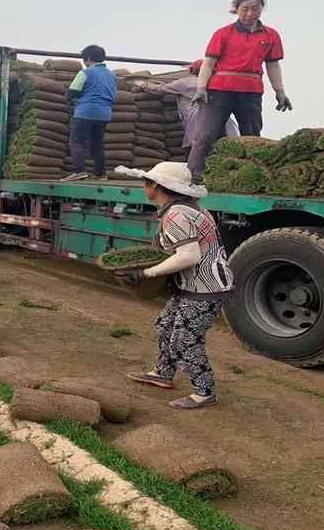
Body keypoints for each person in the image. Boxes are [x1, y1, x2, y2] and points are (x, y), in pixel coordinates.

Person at [114, 161, 234, 409]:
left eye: (146, 183)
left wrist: (147, 273)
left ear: (156, 186)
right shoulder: (187, 208)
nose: (144, 187)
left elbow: (189, 256)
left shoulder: (177, 214)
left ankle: (204, 392)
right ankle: (162, 373)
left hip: (206, 289)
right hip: (193, 285)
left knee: (185, 341)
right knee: (164, 326)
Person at [187, 0, 292, 183]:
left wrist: (280, 91)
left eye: (255, 9)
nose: (250, 14)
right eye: (245, 9)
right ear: (236, 9)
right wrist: (201, 88)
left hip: (251, 93)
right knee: (206, 135)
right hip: (219, 91)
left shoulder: (271, 35)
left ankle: (254, 177)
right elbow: (208, 63)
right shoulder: (223, 33)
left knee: (252, 136)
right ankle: (194, 175)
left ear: (262, 9)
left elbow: (273, 65)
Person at [135, 60, 239, 160]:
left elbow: (161, 89)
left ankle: (196, 174)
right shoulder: (215, 83)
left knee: (196, 151)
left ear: (193, 70)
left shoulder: (186, 83)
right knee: (223, 150)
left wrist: (143, 85)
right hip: (222, 120)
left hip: (198, 121)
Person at [61, 44, 117, 182]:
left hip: (86, 112)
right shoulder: (112, 75)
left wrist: (67, 97)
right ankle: (100, 173)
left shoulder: (86, 73)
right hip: (104, 114)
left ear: (88, 59)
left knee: (76, 141)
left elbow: (73, 91)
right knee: (96, 144)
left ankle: (79, 171)